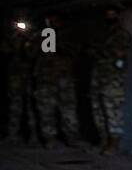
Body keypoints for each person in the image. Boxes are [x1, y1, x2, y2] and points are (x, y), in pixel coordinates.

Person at [31, 12, 80, 148]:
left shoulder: (68, 35)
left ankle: (72, 138)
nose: (52, 21)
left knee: (68, 109)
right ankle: (49, 138)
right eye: (49, 19)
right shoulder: (40, 35)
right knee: (46, 109)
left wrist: (56, 41)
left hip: (64, 78)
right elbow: (30, 54)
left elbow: (74, 52)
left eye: (54, 19)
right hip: (45, 79)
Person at [89, 6, 131, 155]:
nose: (110, 17)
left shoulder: (121, 34)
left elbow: (119, 53)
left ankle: (114, 143)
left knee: (113, 111)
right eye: (107, 14)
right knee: (97, 110)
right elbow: (91, 51)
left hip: (113, 79)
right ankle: (103, 140)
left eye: (112, 14)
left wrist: (103, 51)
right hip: (98, 77)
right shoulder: (101, 35)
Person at [2, 13, 35, 142]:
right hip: (16, 76)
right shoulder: (12, 39)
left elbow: (38, 53)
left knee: (32, 107)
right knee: (15, 106)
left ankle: (35, 135)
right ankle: (12, 134)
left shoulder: (35, 38)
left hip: (31, 75)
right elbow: (5, 51)